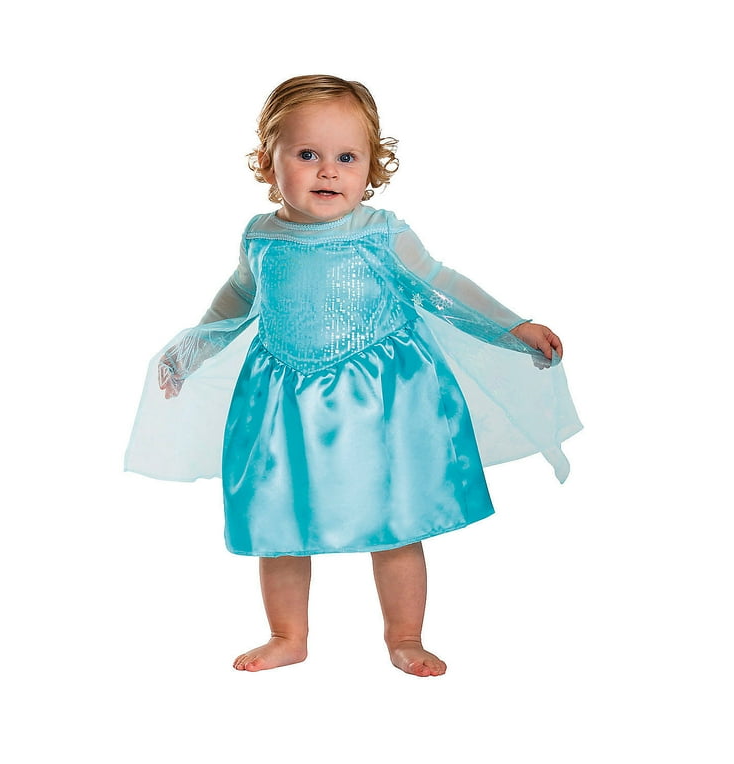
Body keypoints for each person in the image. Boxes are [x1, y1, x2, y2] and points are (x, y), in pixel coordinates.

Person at [125, 74, 582, 676]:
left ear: (372, 166)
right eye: (306, 154)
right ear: (268, 162)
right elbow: (235, 300)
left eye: (347, 157)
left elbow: (443, 286)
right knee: (277, 520)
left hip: (382, 401)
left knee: (396, 521)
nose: (328, 171)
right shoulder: (262, 236)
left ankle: (405, 636)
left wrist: (511, 327)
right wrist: (193, 348)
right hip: (284, 400)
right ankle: (287, 635)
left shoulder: (382, 234)